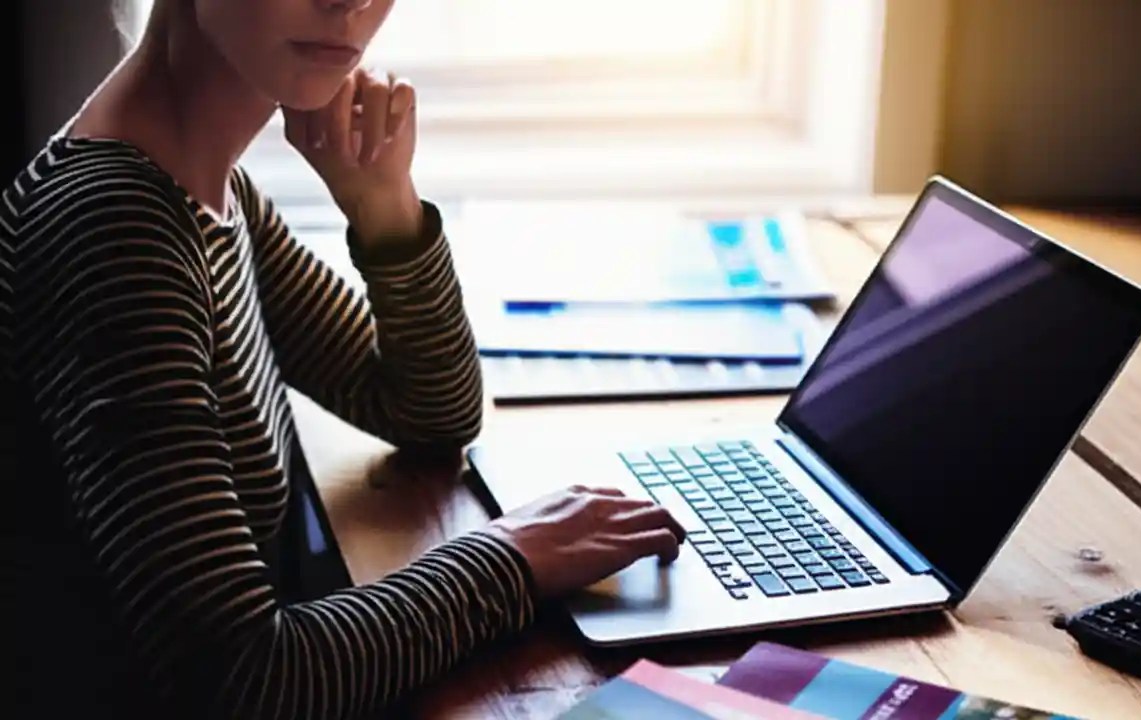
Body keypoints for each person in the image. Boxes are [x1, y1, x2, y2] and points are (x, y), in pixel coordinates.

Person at [0, 1, 686, 718]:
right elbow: (246, 679)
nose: (353, 3)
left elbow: (430, 410)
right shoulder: (114, 234)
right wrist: (511, 557)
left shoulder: (204, 188)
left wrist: (385, 206)